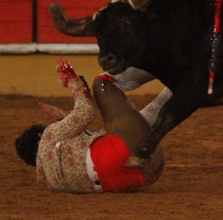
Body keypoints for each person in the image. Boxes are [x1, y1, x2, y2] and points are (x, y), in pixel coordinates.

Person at [14, 59, 165, 194]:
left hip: (148, 172)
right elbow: (87, 111)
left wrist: (64, 118)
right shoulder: (48, 137)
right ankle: (166, 63)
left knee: (137, 122)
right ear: (40, 136)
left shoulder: (52, 182)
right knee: (103, 83)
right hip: (128, 153)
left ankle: (184, 89)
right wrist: (72, 81)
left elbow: (84, 154)